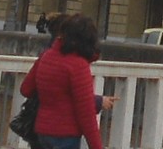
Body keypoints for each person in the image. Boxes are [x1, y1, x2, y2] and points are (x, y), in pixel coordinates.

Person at [22, 12, 105, 149]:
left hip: (42, 131)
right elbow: (86, 114)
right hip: (66, 135)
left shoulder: (47, 56)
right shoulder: (78, 65)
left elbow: (26, 89)